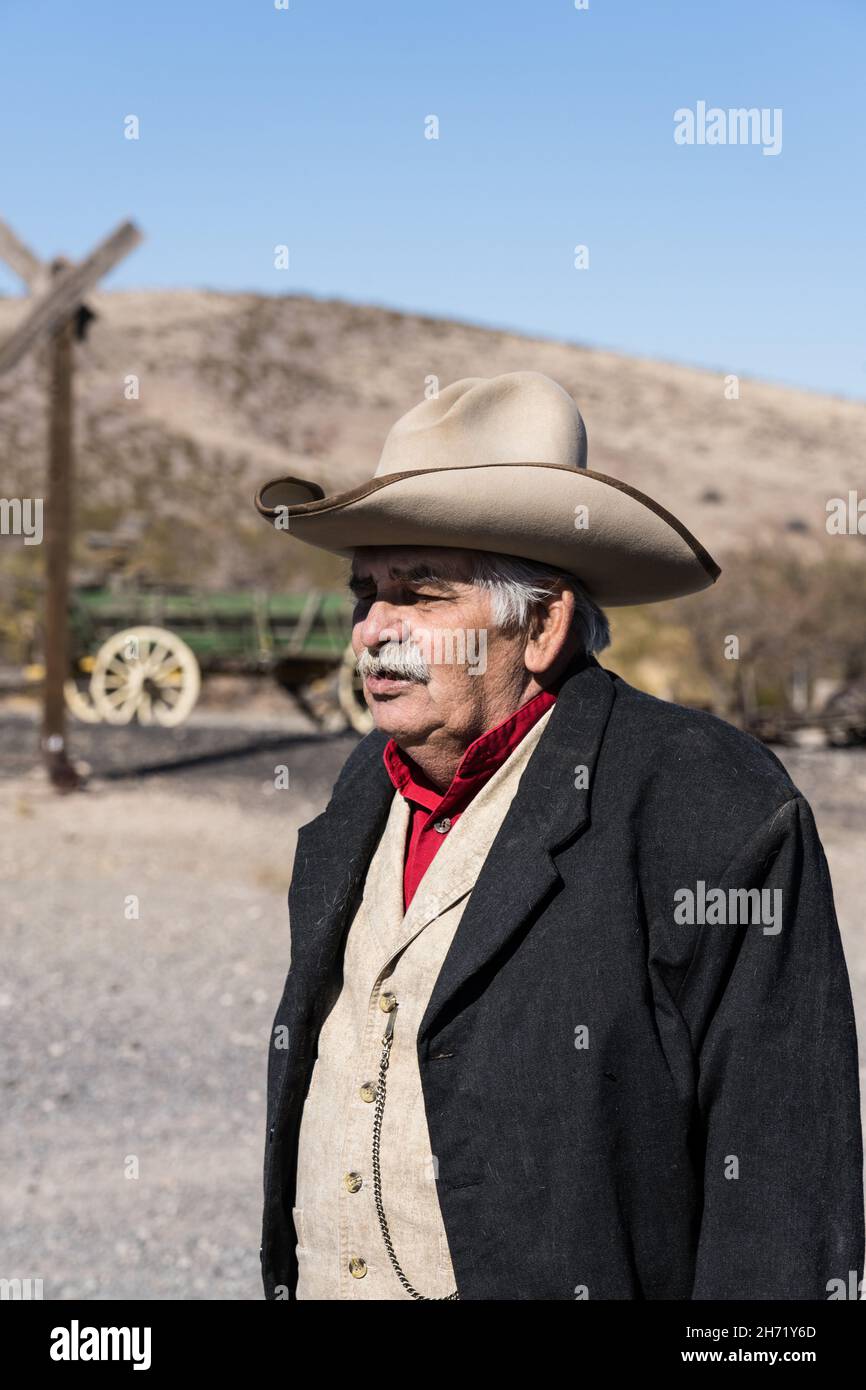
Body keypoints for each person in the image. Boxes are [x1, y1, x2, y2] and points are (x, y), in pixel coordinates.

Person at [254, 370, 863, 1300]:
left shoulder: (714, 807)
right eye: (362, 593)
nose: (372, 632)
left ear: (541, 625)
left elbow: (784, 1193)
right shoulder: (358, 793)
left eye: (419, 594)